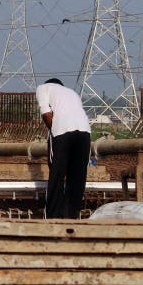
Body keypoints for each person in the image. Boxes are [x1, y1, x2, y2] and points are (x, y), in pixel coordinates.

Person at [35, 78, 91, 219]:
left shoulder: (43, 88)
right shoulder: (72, 93)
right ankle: (71, 217)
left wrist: (53, 132)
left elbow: (46, 113)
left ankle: (53, 217)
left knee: (57, 175)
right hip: (85, 131)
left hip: (62, 130)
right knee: (77, 177)